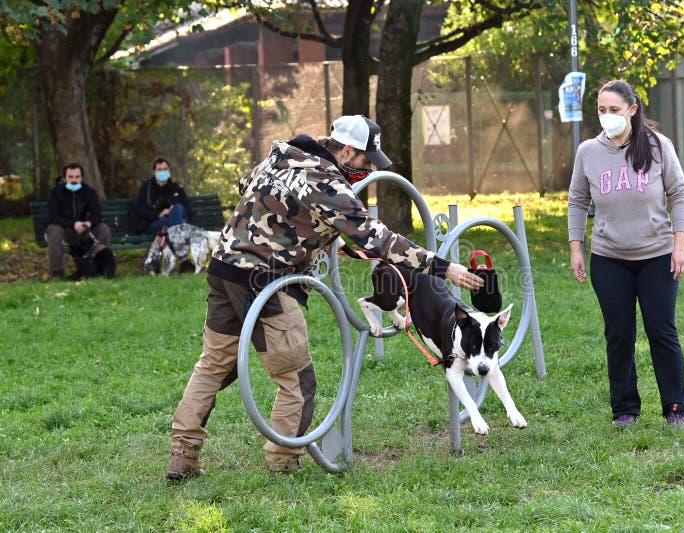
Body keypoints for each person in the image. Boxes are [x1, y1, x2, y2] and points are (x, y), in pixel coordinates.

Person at [167, 115, 485, 480]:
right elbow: (376, 238)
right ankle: (283, 463)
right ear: (347, 151)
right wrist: (444, 268)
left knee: (213, 364)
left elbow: (246, 185)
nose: (364, 173)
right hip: (265, 281)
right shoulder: (328, 183)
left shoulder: (283, 154)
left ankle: (183, 455)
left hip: (224, 268)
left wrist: (308, 228)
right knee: (297, 380)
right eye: (365, 163)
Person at [567, 80, 684, 429]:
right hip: (609, 258)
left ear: (633, 111)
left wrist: (679, 244)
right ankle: (625, 410)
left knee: (661, 330)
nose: (607, 117)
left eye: (615, 110)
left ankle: (677, 409)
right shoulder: (588, 152)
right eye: (601, 110)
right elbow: (578, 200)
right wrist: (576, 248)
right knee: (619, 334)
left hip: (657, 255)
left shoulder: (657, 146)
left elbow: (679, 195)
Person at [45, 163, 112, 281]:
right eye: (70, 177)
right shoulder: (56, 192)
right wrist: (73, 224)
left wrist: (88, 223)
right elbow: (53, 216)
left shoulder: (89, 192)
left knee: (103, 228)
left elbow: (97, 214)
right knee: (54, 230)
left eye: (77, 177)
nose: (74, 180)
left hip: (85, 229)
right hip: (64, 229)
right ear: (65, 178)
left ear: (81, 178)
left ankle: (102, 269)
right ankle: (56, 274)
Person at [133, 156, 192, 235]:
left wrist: (174, 212)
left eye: (165, 169)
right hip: (156, 224)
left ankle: (176, 240)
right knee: (182, 223)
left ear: (169, 170)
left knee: (177, 207)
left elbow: (189, 211)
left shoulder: (176, 188)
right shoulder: (146, 188)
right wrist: (159, 214)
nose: (163, 171)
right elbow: (139, 210)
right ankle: (179, 238)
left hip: (173, 223)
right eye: (160, 170)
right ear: (154, 172)